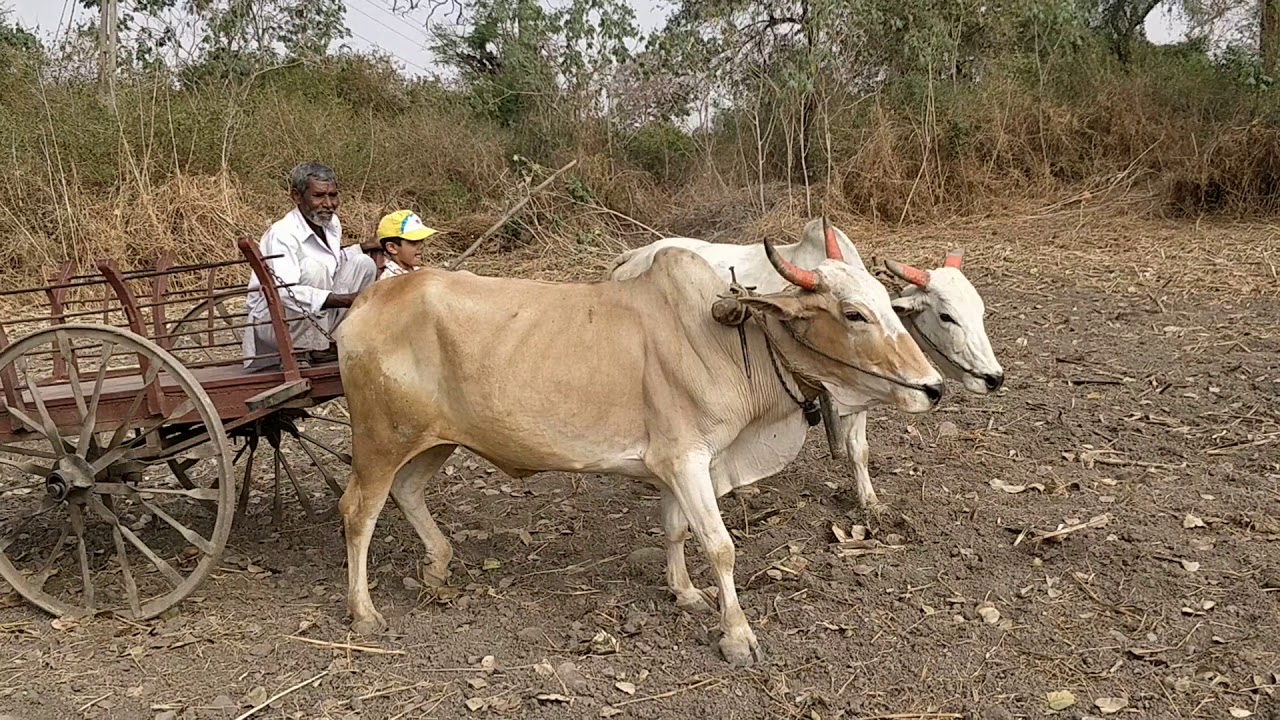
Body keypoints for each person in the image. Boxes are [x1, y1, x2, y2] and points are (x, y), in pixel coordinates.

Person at [242, 162, 377, 369]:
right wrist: (347, 299)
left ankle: (332, 342)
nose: (329, 203)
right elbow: (285, 293)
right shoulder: (282, 234)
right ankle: (302, 351)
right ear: (297, 196)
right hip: (277, 322)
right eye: (319, 196)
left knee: (364, 263)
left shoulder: (331, 224)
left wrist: (362, 247)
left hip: (316, 319)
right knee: (314, 268)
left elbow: (333, 263)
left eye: (333, 195)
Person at [373, 210, 438, 280]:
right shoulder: (390, 282)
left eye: (421, 240)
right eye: (413, 242)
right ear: (392, 248)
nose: (421, 246)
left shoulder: (416, 270)